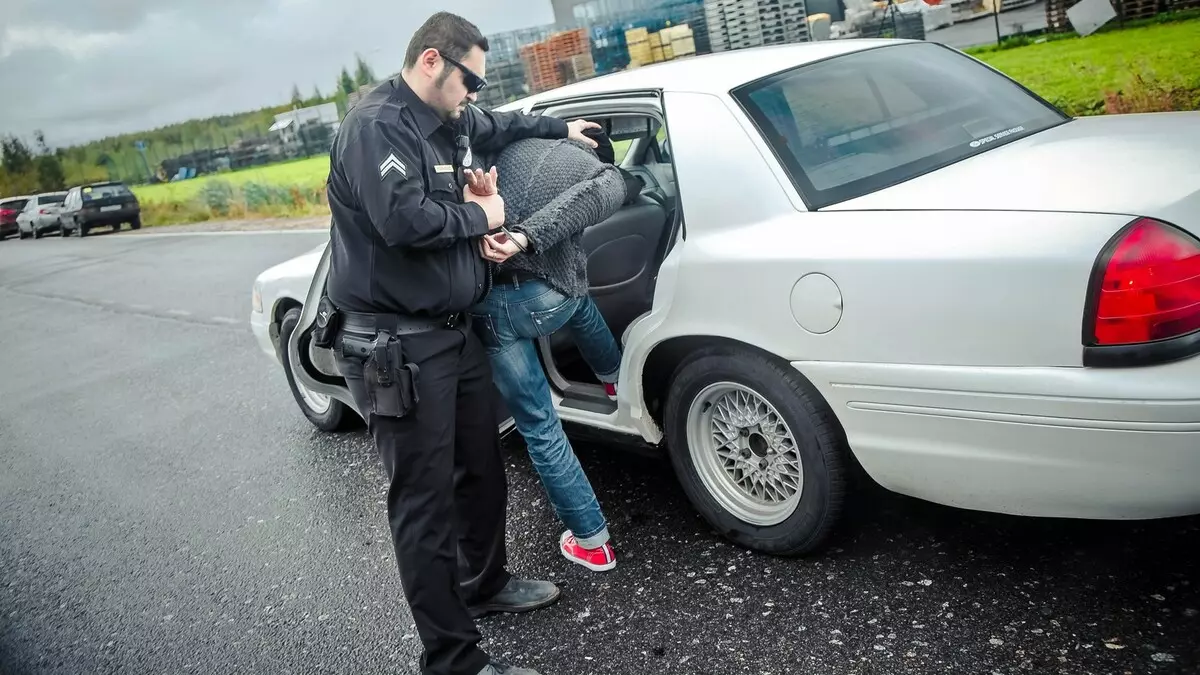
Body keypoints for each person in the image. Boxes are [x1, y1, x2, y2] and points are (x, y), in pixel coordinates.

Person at [322, 11, 602, 675]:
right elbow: (403, 220)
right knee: (424, 504)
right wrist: (487, 214)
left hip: (452, 333)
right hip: (395, 345)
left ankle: (485, 584)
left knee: (481, 468)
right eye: (468, 79)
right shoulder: (376, 127)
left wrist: (560, 128)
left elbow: (501, 122)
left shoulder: (454, 116)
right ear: (429, 63)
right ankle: (453, 659)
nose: (474, 93)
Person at [466, 127, 633, 574]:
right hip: (554, 295)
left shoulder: (503, 143)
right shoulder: (599, 173)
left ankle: (593, 544)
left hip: (494, 306)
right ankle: (617, 384)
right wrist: (526, 238)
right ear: (599, 156)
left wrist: (511, 235)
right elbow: (601, 191)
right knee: (578, 299)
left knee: (539, 424)